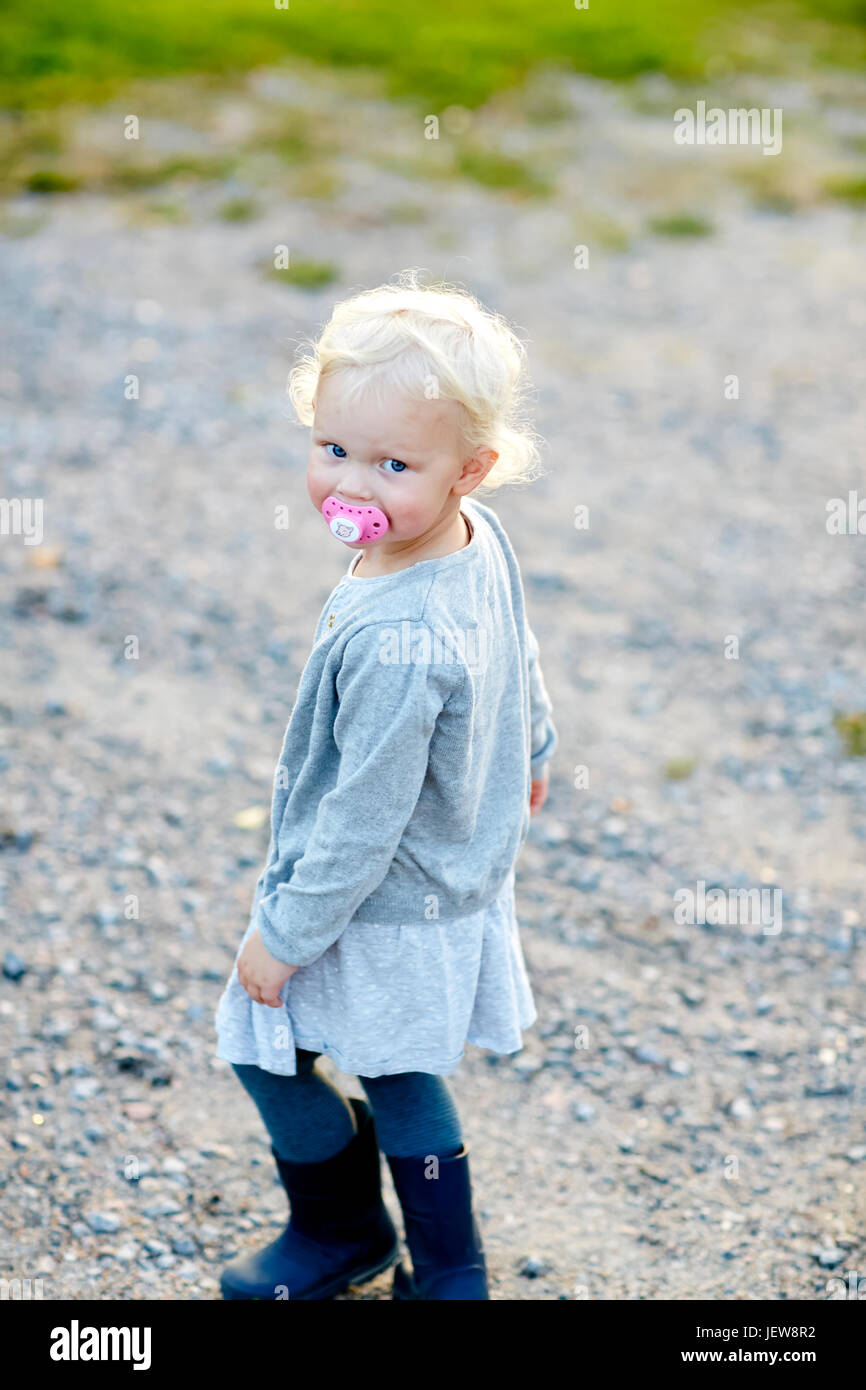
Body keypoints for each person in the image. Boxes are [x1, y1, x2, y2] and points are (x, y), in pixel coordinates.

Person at [213, 269, 558, 1301]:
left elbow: (361, 819)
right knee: (404, 1070)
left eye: (392, 462)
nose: (352, 486)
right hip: (448, 881)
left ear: (471, 468)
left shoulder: (393, 632)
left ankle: (341, 1235)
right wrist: (532, 749)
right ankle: (447, 1276)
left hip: (373, 903)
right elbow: (519, 653)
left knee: (261, 1043)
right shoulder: (468, 539)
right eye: (332, 450)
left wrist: (283, 938)